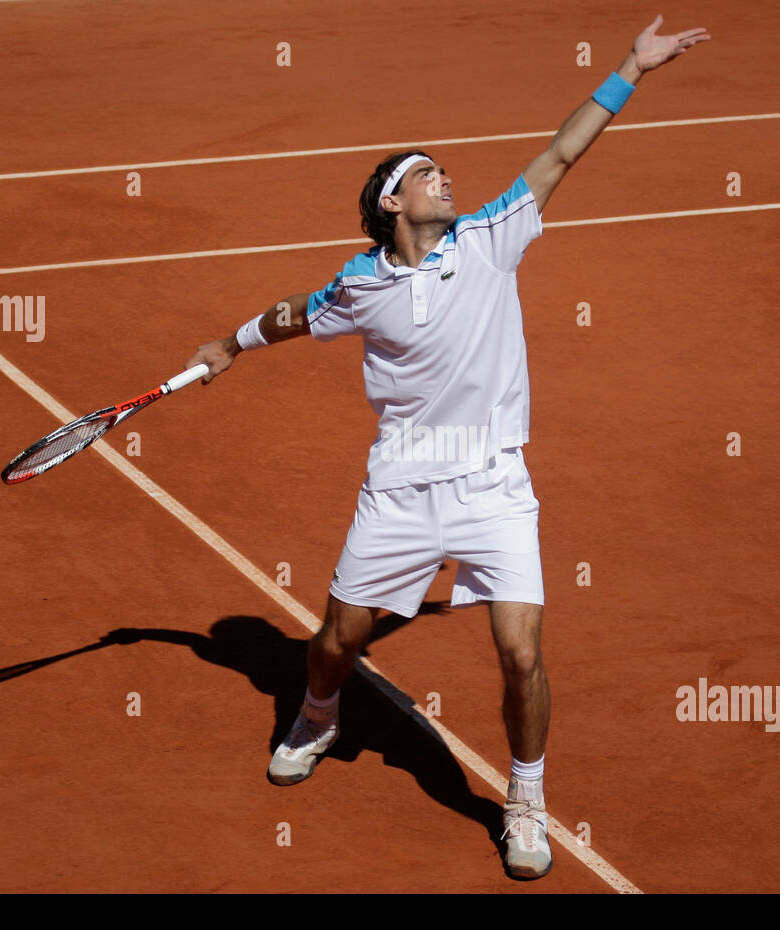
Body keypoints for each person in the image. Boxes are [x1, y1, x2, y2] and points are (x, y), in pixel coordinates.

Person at [186, 14, 710, 881]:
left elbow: (560, 154)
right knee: (334, 641)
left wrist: (631, 68)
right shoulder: (360, 284)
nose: (446, 177)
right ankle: (320, 712)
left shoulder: (491, 238)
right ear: (393, 203)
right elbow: (293, 313)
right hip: (399, 490)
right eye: (428, 174)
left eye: (444, 169)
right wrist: (228, 343)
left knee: (523, 651)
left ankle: (526, 796)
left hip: (495, 483)